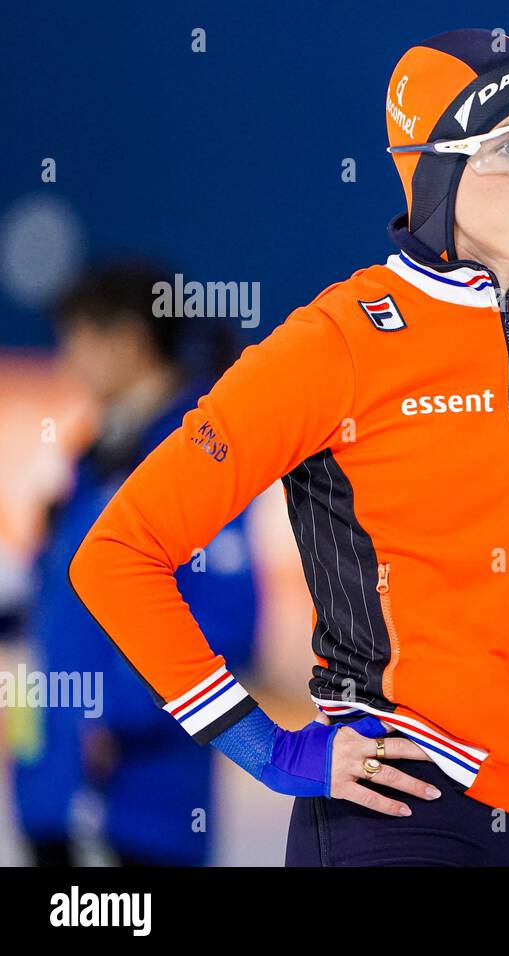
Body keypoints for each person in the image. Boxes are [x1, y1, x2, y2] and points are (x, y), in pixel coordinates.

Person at [67, 28, 509, 866]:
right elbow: (119, 555)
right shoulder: (334, 343)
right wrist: (267, 749)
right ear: (434, 168)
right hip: (394, 808)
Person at [10, 262, 259, 866]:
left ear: (126, 340)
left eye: (78, 339)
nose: (67, 360)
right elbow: (58, 608)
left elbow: (225, 619)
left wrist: (112, 719)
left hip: (139, 806)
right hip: (56, 789)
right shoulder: (93, 458)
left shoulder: (192, 453)